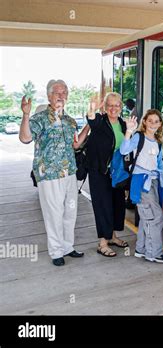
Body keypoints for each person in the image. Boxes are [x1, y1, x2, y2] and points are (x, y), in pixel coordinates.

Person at [19, 79, 89, 266]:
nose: (61, 95)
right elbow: (25, 138)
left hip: (69, 173)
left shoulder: (69, 120)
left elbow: (76, 144)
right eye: (57, 92)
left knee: (70, 211)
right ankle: (56, 251)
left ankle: (68, 247)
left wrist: (89, 125)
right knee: (54, 213)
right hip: (49, 174)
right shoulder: (40, 118)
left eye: (64, 92)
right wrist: (25, 115)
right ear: (49, 96)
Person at [120, 109, 163, 263]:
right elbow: (124, 150)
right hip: (142, 182)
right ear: (144, 122)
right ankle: (154, 253)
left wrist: (162, 182)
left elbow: (159, 164)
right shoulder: (138, 137)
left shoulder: (157, 141)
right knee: (155, 217)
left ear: (160, 123)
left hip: (154, 182)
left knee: (146, 218)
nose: (153, 124)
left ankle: (141, 249)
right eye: (150, 121)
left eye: (156, 121)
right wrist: (129, 131)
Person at [86, 92, 129, 257]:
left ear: (121, 107)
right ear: (104, 107)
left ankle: (112, 237)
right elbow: (92, 119)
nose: (113, 108)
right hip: (99, 171)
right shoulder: (100, 122)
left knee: (117, 204)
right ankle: (102, 243)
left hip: (117, 173)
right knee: (103, 206)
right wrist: (92, 109)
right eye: (110, 105)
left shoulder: (123, 124)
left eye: (116, 105)